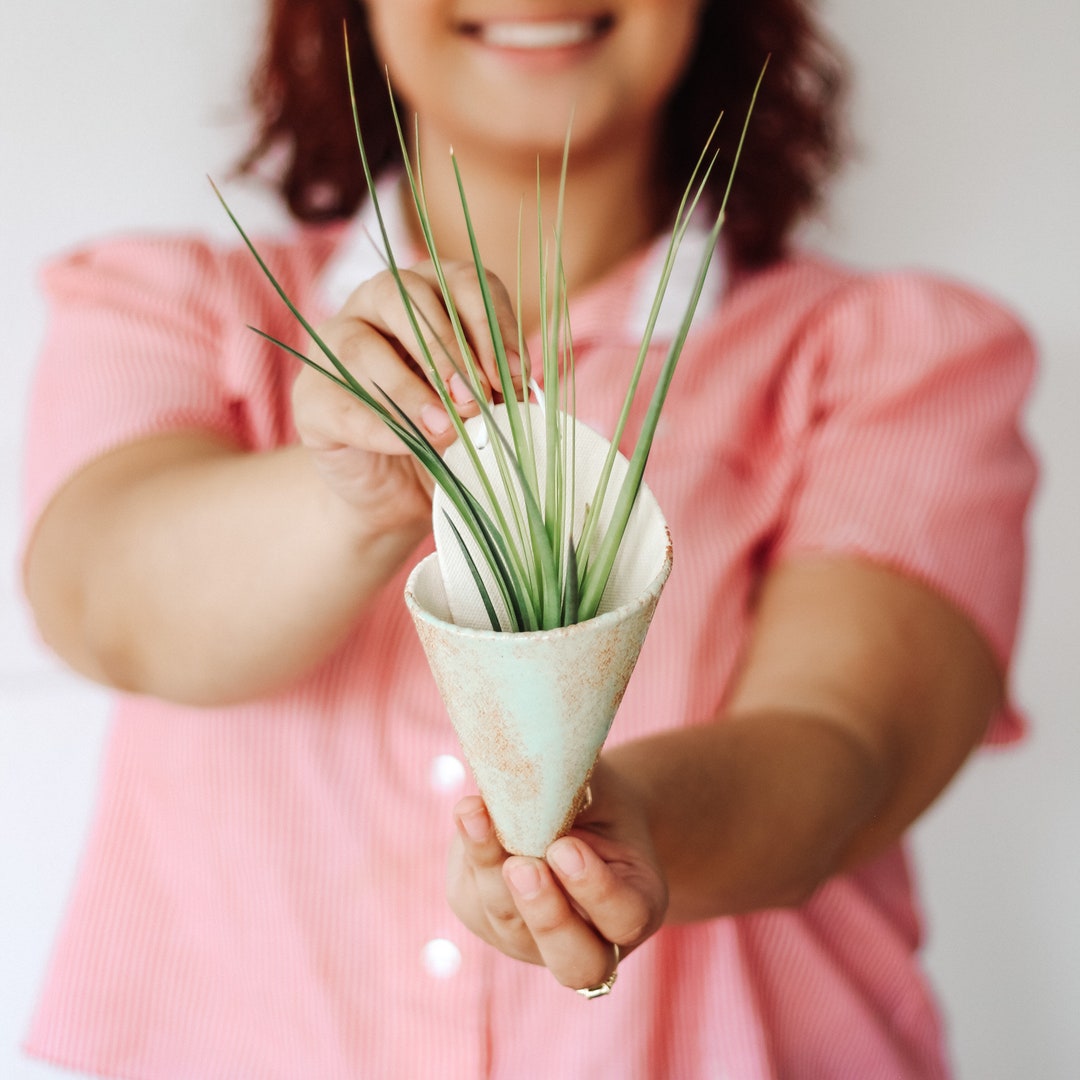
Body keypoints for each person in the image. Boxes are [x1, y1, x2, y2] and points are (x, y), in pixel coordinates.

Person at [20, 0, 1036, 1077]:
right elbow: (102, 601)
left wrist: (620, 822)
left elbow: (847, 749)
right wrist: (356, 492)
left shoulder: (896, 358)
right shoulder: (178, 306)